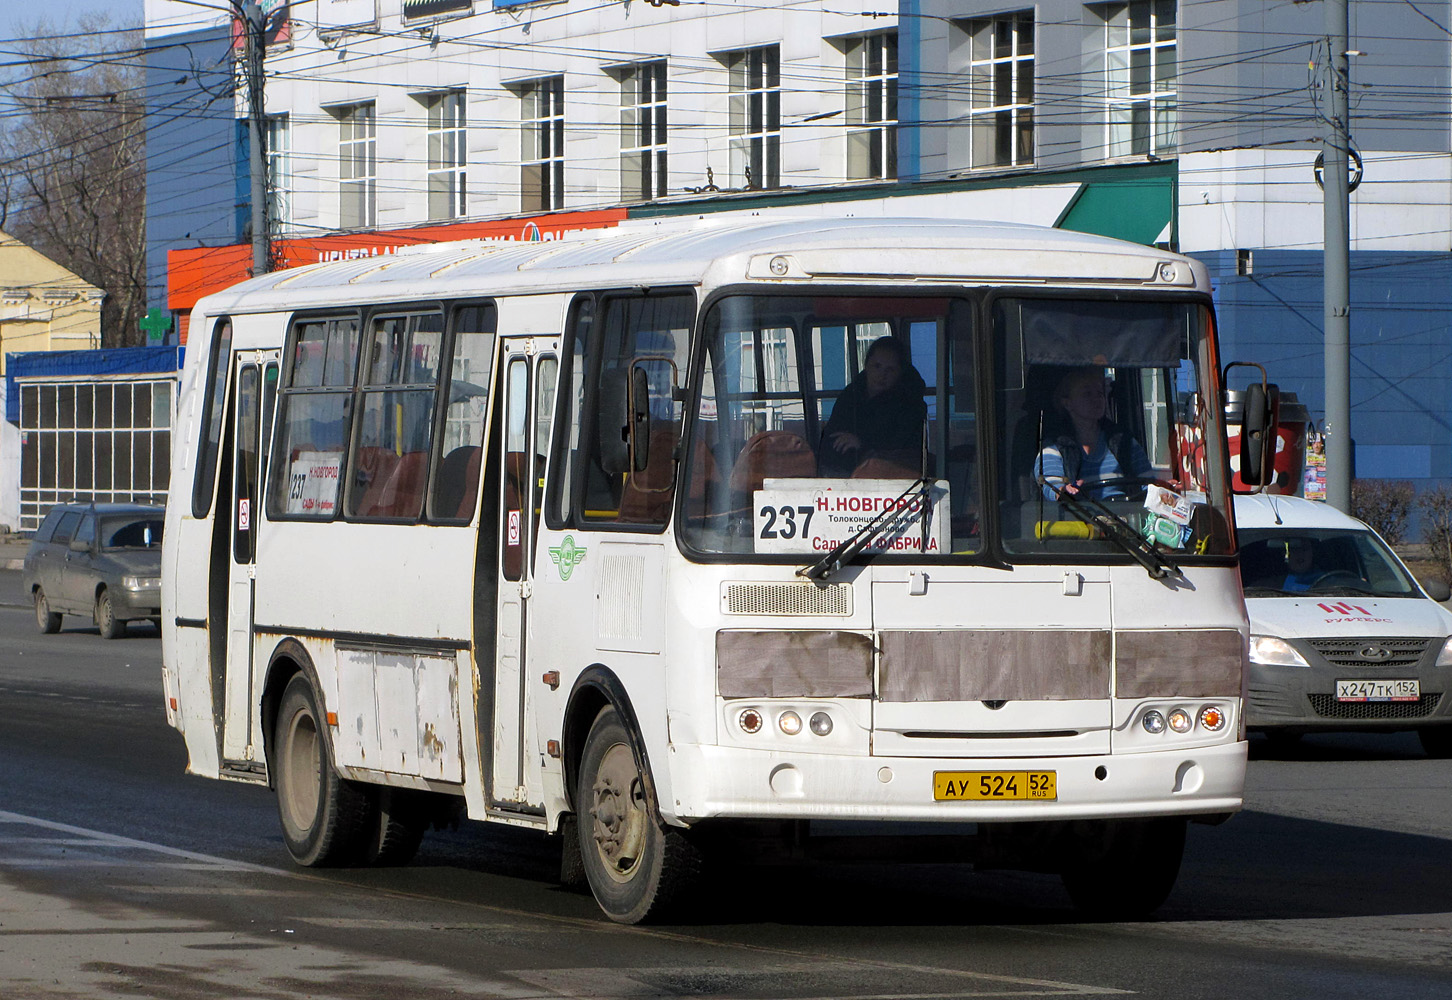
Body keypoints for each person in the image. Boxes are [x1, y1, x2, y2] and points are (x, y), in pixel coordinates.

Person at [1036, 367, 1154, 500]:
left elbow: (1147, 482)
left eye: (1100, 393)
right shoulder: (1054, 446)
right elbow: (1051, 482)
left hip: (1123, 519)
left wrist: (1161, 490)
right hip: (1077, 518)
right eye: (1087, 394)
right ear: (1067, 404)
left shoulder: (1124, 442)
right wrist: (1064, 491)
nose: (1096, 399)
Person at [820, 336, 927, 477]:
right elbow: (832, 435)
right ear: (866, 365)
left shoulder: (910, 405)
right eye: (877, 366)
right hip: (838, 473)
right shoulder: (850, 395)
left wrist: (862, 444)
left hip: (890, 478)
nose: (882, 374)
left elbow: (902, 448)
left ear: (900, 373)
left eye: (890, 369)